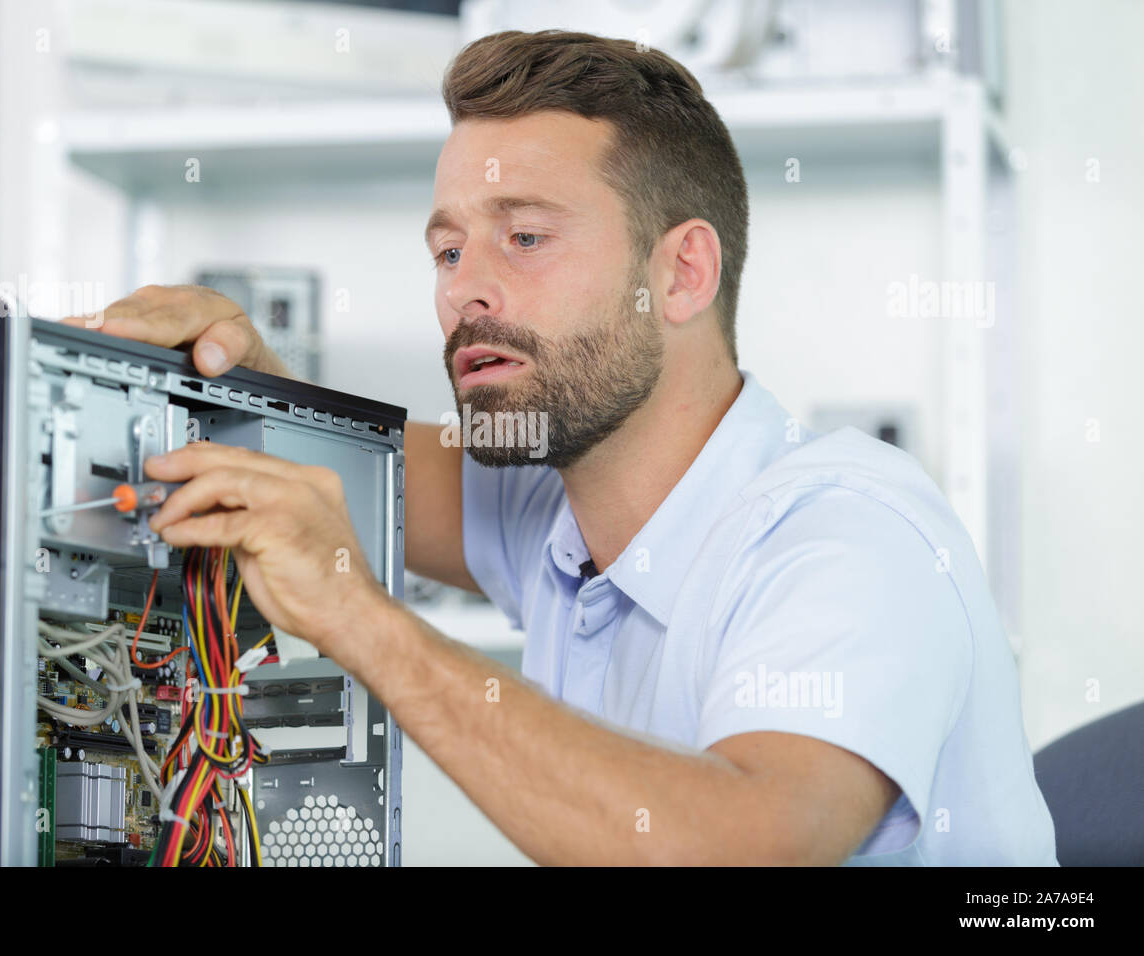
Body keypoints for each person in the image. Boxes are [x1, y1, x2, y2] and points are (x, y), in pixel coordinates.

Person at [63, 30, 1057, 865]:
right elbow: (341, 467)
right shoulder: (555, 504)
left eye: (525, 237)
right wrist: (230, 369)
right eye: (448, 249)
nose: (465, 289)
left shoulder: (848, 536)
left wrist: (357, 614)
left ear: (681, 274)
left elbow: (735, 841)